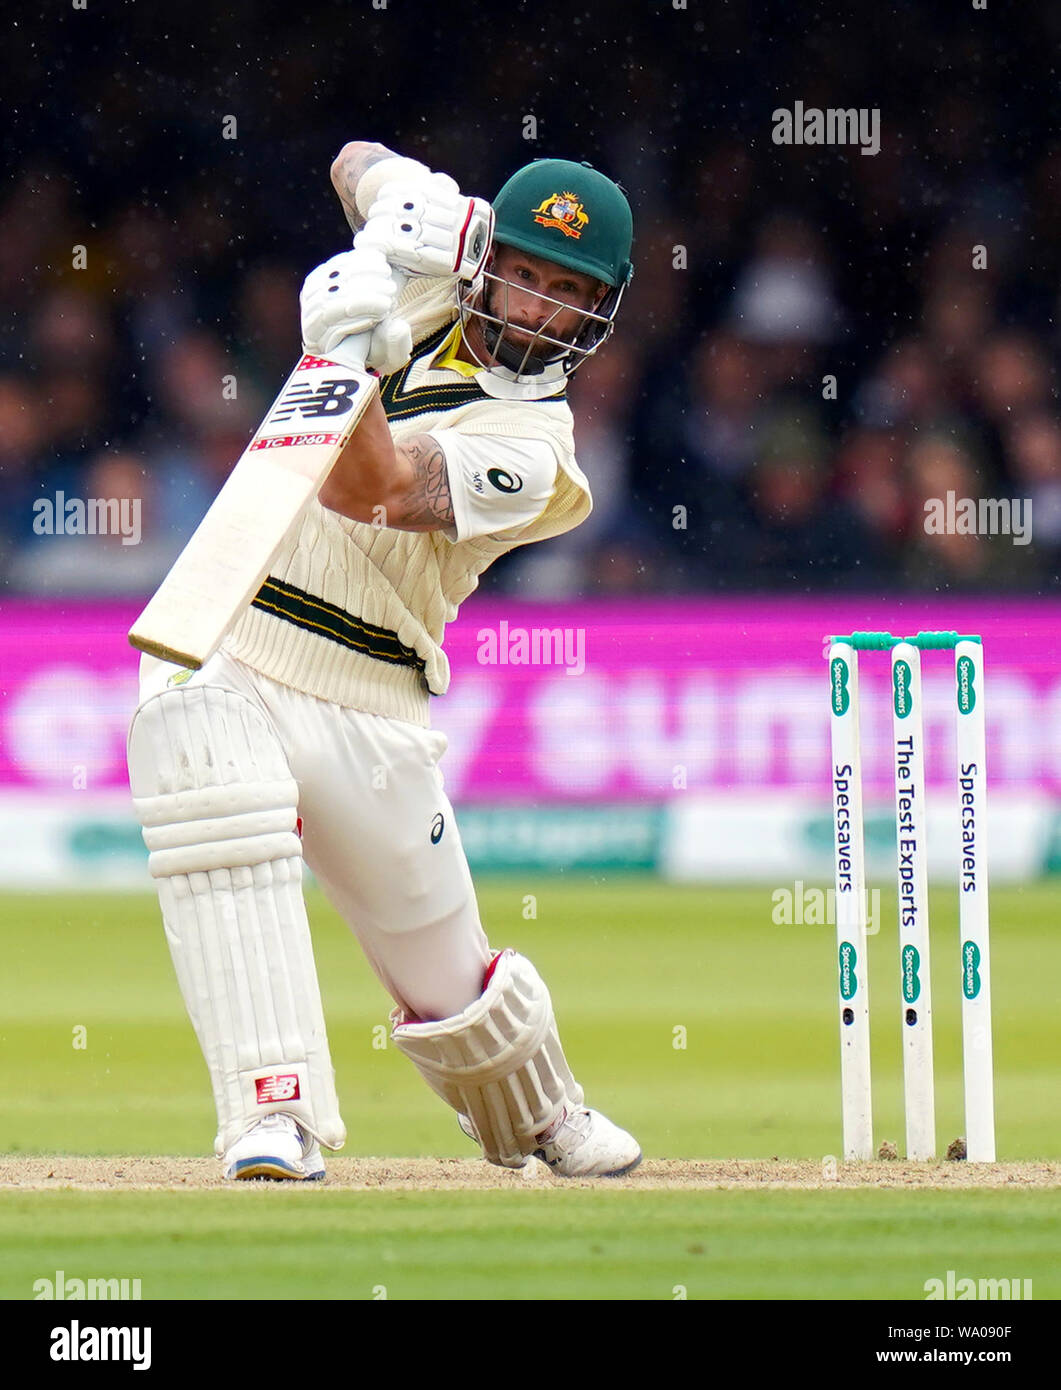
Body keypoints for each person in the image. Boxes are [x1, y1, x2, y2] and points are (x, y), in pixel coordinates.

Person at [127, 142, 640, 1182]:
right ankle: (272, 1116)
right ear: (489, 257)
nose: (537, 307)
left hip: (374, 696)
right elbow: (350, 159)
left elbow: (371, 489)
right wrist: (409, 208)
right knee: (207, 791)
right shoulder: (438, 265)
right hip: (233, 634)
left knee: (447, 974)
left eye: (567, 294)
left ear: (595, 318)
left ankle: (539, 1113)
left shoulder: (541, 453)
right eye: (526, 274)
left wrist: (346, 351)